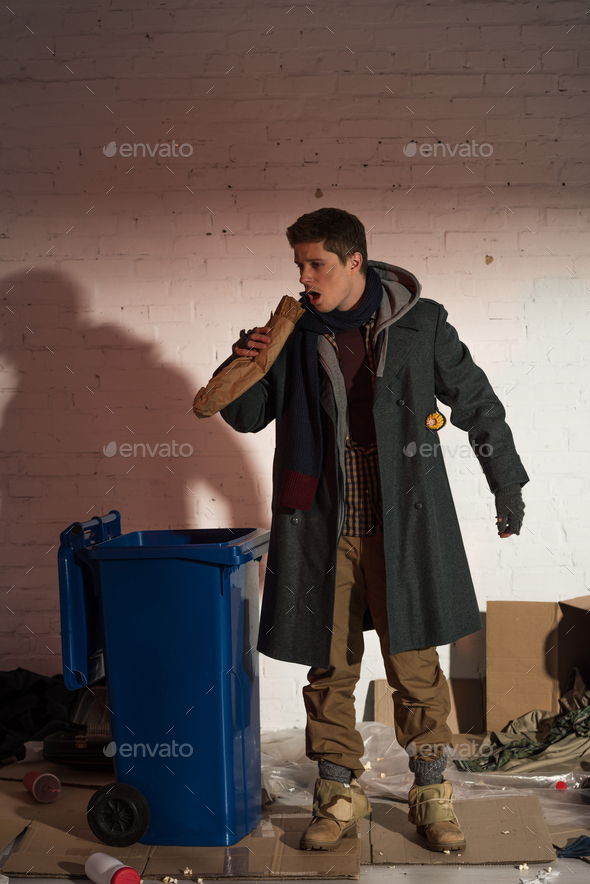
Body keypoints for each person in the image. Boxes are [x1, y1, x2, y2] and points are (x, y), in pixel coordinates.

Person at [211, 207, 528, 853]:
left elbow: (477, 402)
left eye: (315, 262)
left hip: (405, 524)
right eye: (298, 263)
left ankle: (431, 790)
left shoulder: (422, 322)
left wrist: (508, 482)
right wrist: (243, 358)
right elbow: (246, 416)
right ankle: (337, 792)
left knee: (413, 665)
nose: (304, 276)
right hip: (321, 525)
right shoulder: (291, 332)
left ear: (354, 261)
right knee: (328, 668)